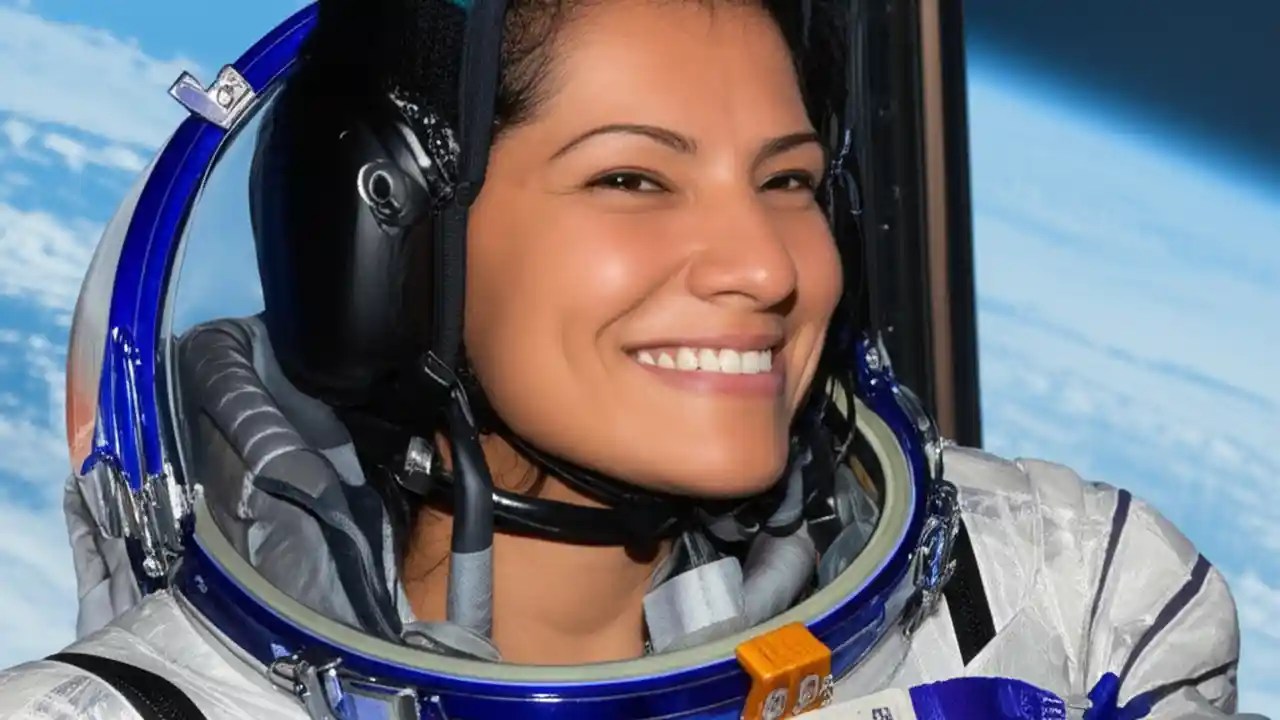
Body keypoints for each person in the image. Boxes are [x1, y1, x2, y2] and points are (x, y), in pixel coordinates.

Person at [0, 0, 1259, 718]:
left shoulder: (1053, 622)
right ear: (385, 252)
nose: (765, 269)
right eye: (631, 178)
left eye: (788, 182)